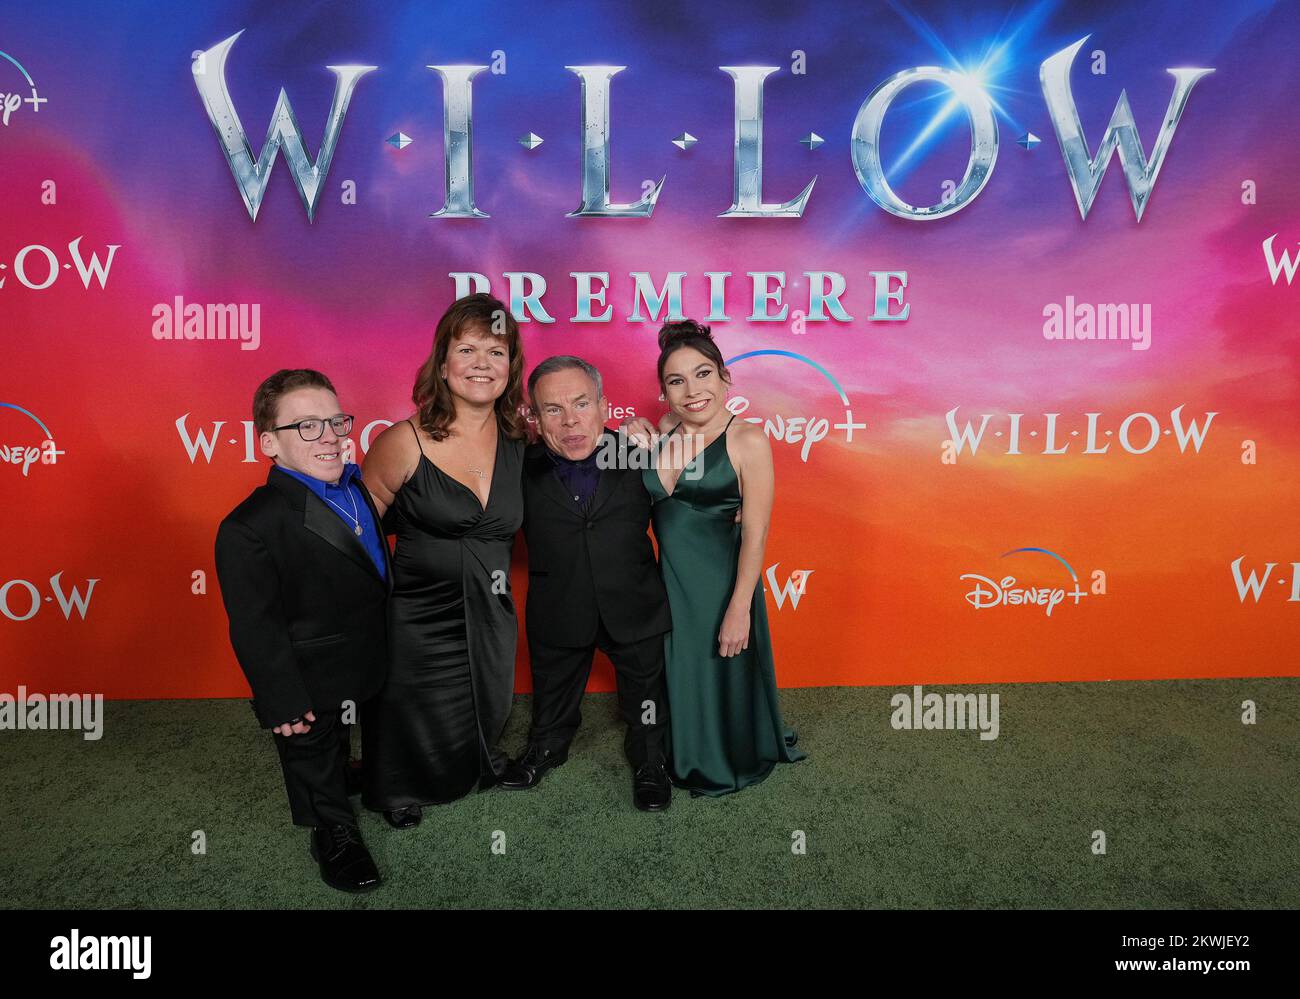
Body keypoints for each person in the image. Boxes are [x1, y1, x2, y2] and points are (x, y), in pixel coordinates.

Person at [214, 368, 390, 893]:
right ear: (269, 443)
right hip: (308, 669)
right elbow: (254, 624)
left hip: (370, 648)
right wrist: (281, 700)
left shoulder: (357, 485)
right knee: (312, 747)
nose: (331, 436)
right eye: (308, 427)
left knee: (362, 730)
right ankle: (332, 832)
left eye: (336, 421)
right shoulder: (249, 526)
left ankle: (363, 780)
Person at [359, 293, 526, 828]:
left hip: (491, 604)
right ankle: (398, 786)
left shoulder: (522, 442)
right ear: (443, 362)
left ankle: (479, 762)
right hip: (416, 609)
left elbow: (582, 463)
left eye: (496, 352)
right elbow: (357, 535)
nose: (482, 363)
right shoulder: (401, 443)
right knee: (408, 697)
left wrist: (647, 446)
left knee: (487, 693)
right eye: (467, 349)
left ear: (510, 367)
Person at [628, 320, 805, 796]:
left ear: (726, 378)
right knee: (679, 669)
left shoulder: (747, 440)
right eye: (676, 380)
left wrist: (738, 608)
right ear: (665, 391)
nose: (692, 390)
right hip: (668, 579)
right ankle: (682, 752)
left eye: (703, 374)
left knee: (717, 662)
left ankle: (720, 758)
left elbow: (757, 531)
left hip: (718, 582)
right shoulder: (665, 428)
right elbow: (646, 493)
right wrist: (636, 438)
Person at [498, 356, 673, 810]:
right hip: (558, 603)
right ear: (533, 417)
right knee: (552, 689)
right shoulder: (515, 465)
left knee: (646, 695)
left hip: (633, 601)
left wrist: (731, 510)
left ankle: (650, 761)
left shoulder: (642, 451)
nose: (570, 420)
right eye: (552, 409)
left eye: (581, 403)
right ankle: (547, 747)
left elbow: (692, 505)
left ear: (603, 405)